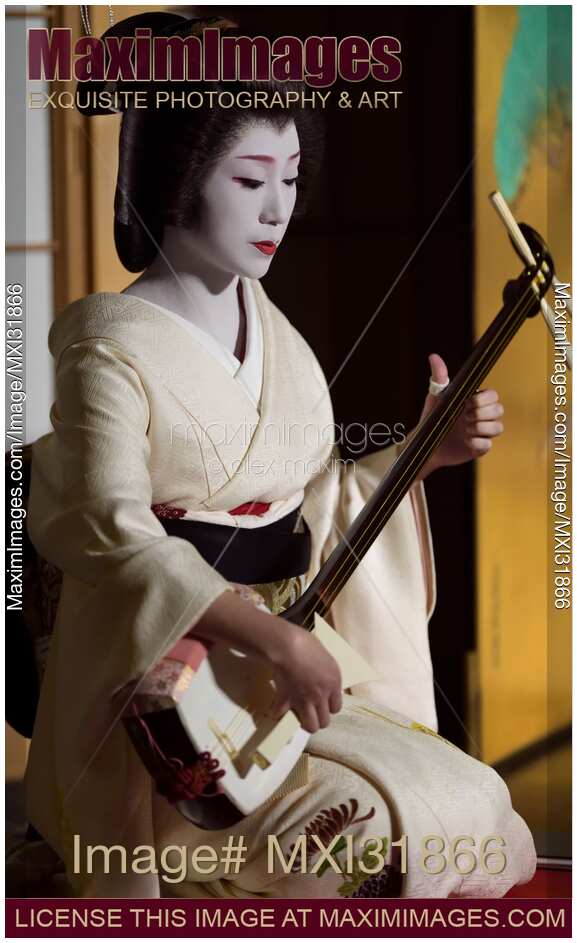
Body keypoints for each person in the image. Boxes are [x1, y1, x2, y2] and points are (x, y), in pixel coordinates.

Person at [26, 13, 534, 900]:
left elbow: (320, 505)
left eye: (291, 179)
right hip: (165, 697)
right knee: (366, 836)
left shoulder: (281, 342)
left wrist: (425, 451)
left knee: (483, 807)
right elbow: (113, 532)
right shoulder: (105, 349)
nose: (278, 209)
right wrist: (264, 633)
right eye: (251, 179)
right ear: (179, 178)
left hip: (273, 680)